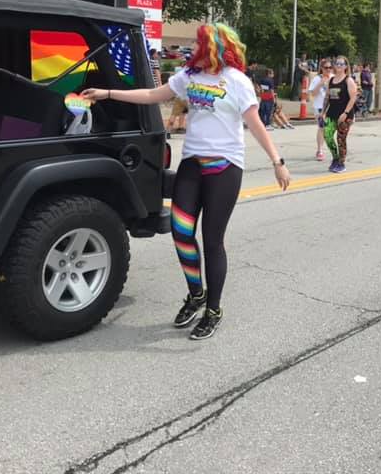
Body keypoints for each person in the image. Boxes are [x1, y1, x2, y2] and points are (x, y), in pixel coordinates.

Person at [82, 24, 289, 340]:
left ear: (214, 47)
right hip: (192, 164)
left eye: (198, 42)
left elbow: (256, 124)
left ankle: (213, 310)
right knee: (180, 232)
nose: (193, 46)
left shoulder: (238, 82)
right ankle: (196, 294)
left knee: (212, 240)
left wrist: (278, 162)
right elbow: (153, 94)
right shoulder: (189, 77)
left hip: (224, 168)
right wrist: (108, 93)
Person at [324, 56, 358, 173]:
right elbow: (327, 97)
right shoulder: (331, 80)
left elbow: (353, 98)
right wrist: (322, 112)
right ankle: (335, 158)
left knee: (340, 139)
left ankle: (341, 163)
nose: (338, 66)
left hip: (345, 115)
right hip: (331, 113)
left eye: (341, 64)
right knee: (327, 136)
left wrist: (346, 113)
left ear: (345, 66)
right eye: (337, 64)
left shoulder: (348, 80)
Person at [308, 59, 332, 161]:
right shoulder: (317, 79)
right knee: (322, 128)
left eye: (330, 68)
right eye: (326, 68)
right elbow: (312, 94)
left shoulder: (333, 78)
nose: (328, 70)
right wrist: (321, 83)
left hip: (332, 107)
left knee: (330, 129)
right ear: (321, 68)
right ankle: (320, 150)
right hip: (319, 107)